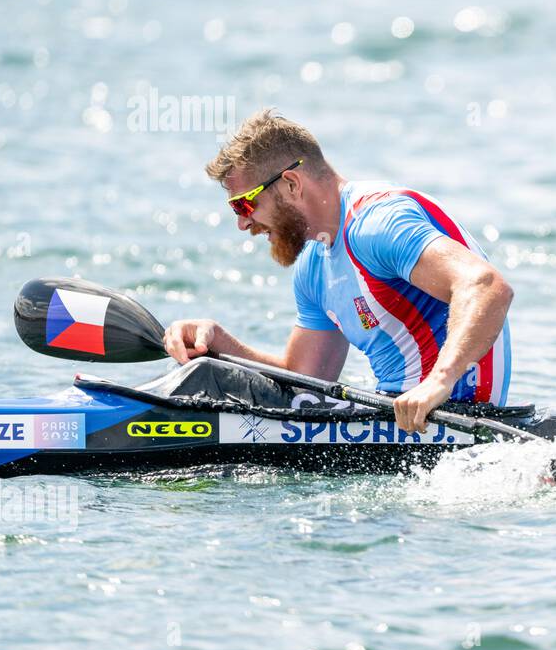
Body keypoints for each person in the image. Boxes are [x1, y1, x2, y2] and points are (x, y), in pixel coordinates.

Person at [163, 109, 513, 432]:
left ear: (291, 184)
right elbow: (305, 381)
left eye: (245, 203)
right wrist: (222, 346)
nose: (242, 222)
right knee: (205, 379)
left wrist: (439, 381)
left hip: (460, 420)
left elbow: (486, 285)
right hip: (396, 418)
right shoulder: (313, 267)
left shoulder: (376, 224)